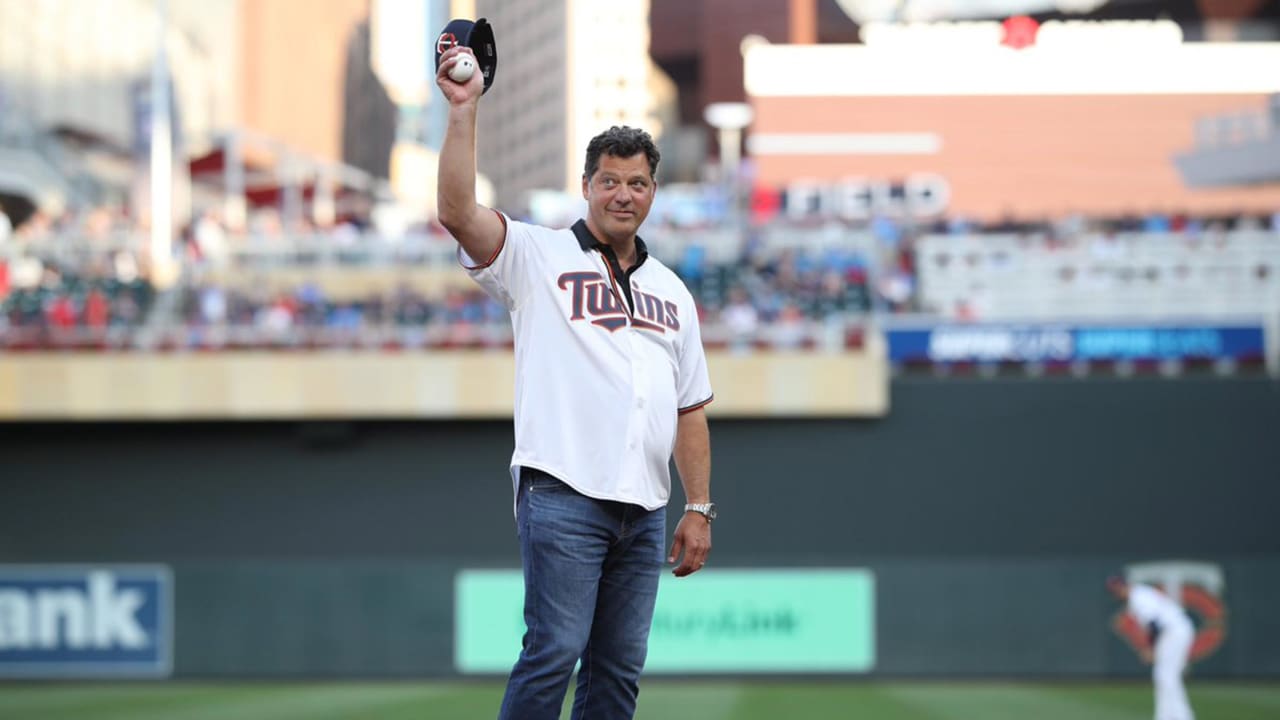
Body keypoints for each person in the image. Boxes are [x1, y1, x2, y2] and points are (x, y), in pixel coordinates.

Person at [436, 44, 715, 720]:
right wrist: (463, 112)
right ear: (586, 184)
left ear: (654, 191)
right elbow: (456, 212)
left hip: (645, 508)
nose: (624, 193)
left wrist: (700, 507)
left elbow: (689, 408)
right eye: (611, 180)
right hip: (563, 490)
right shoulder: (539, 255)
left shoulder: (672, 292)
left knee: (617, 674)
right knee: (556, 650)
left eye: (639, 182)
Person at [1107, 576, 1196, 720]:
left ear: (1125, 586)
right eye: (1114, 591)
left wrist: (1150, 649)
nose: (1117, 593)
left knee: (1166, 676)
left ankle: (1180, 716)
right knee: (1165, 676)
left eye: (1118, 589)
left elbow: (1154, 625)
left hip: (1173, 632)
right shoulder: (1139, 594)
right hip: (1175, 630)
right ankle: (1169, 716)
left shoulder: (1138, 597)